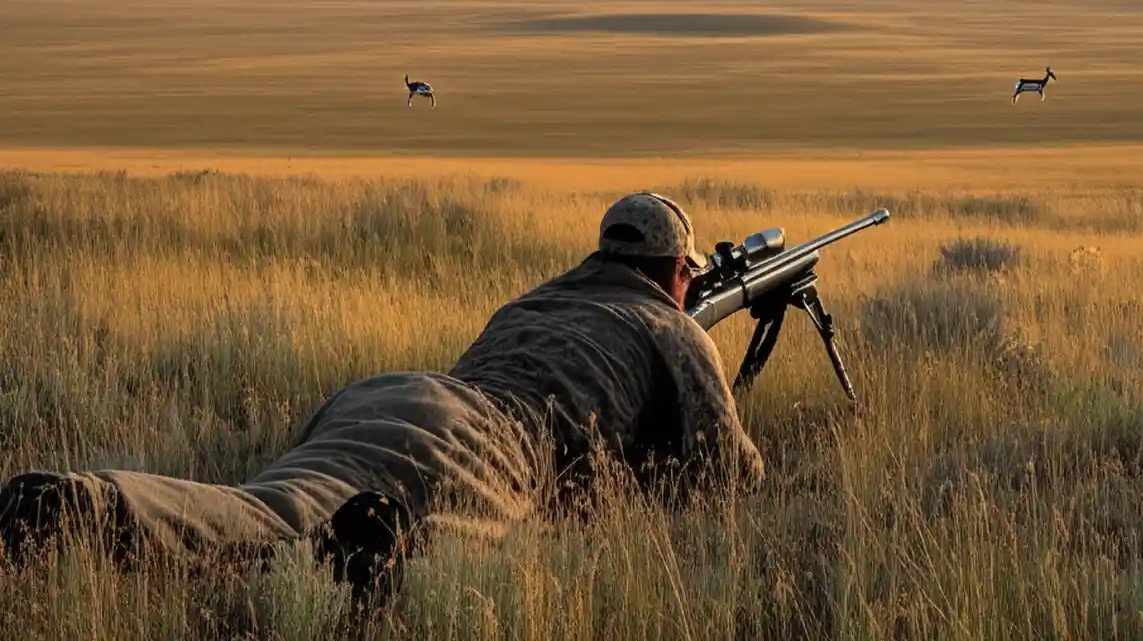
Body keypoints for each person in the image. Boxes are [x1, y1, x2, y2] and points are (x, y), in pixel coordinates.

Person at [0, 191, 764, 606]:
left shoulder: (532, 302)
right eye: (687, 277)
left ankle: (100, 504)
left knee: (274, 502)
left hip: (400, 394)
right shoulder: (669, 323)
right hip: (489, 444)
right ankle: (103, 515)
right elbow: (728, 479)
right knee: (312, 538)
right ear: (676, 272)